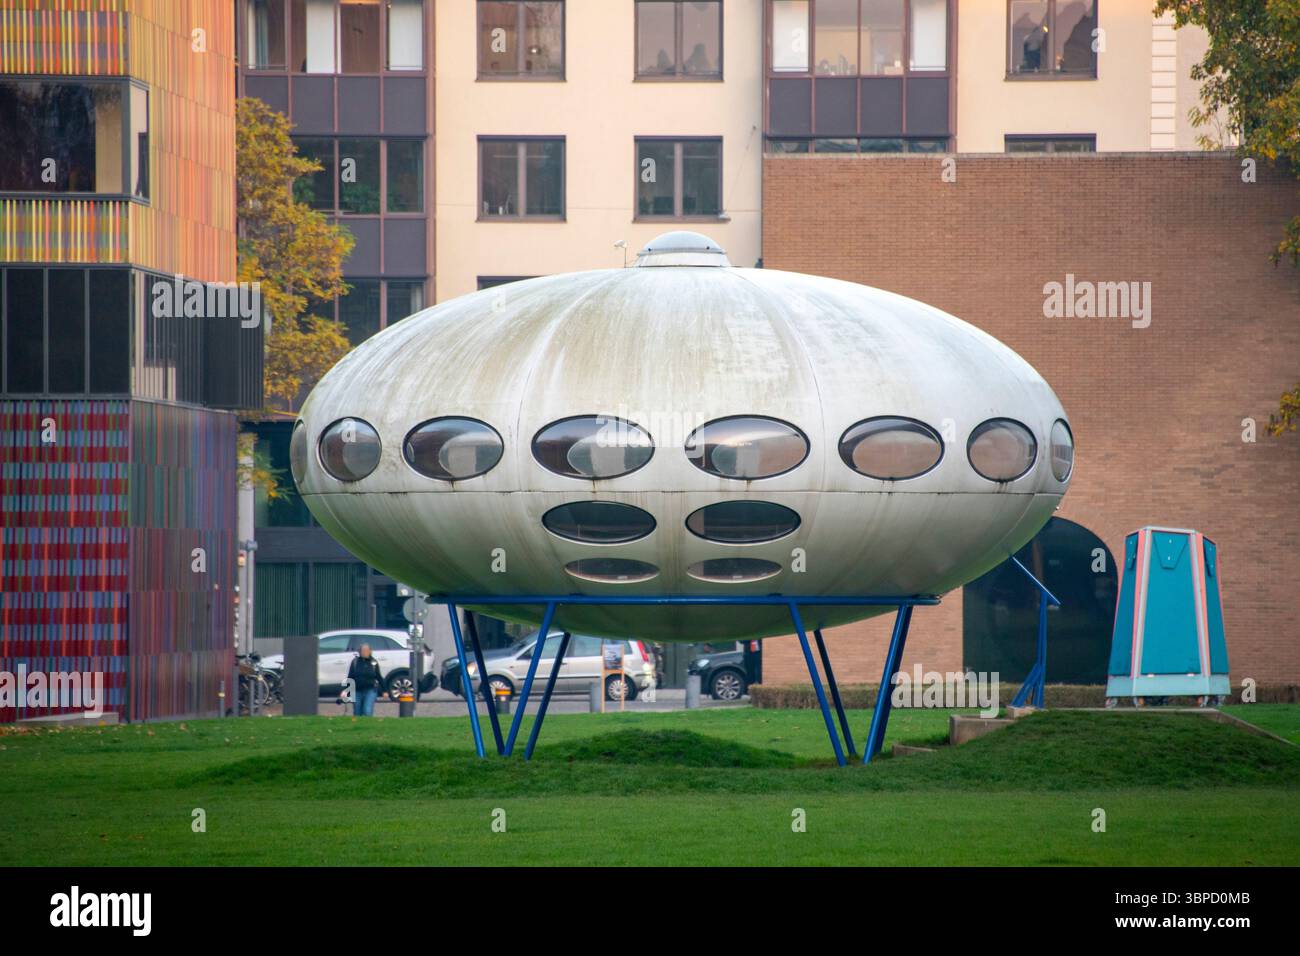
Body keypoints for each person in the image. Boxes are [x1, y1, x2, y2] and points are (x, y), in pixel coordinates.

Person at [346, 644, 385, 716]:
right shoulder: (355, 662)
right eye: (363, 651)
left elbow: (379, 676)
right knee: (357, 711)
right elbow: (350, 677)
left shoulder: (373, 662)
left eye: (367, 651)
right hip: (356, 690)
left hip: (370, 689)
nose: (365, 652)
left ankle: (369, 724)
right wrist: (347, 691)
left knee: (367, 710)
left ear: (370, 651)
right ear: (360, 652)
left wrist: (385, 690)